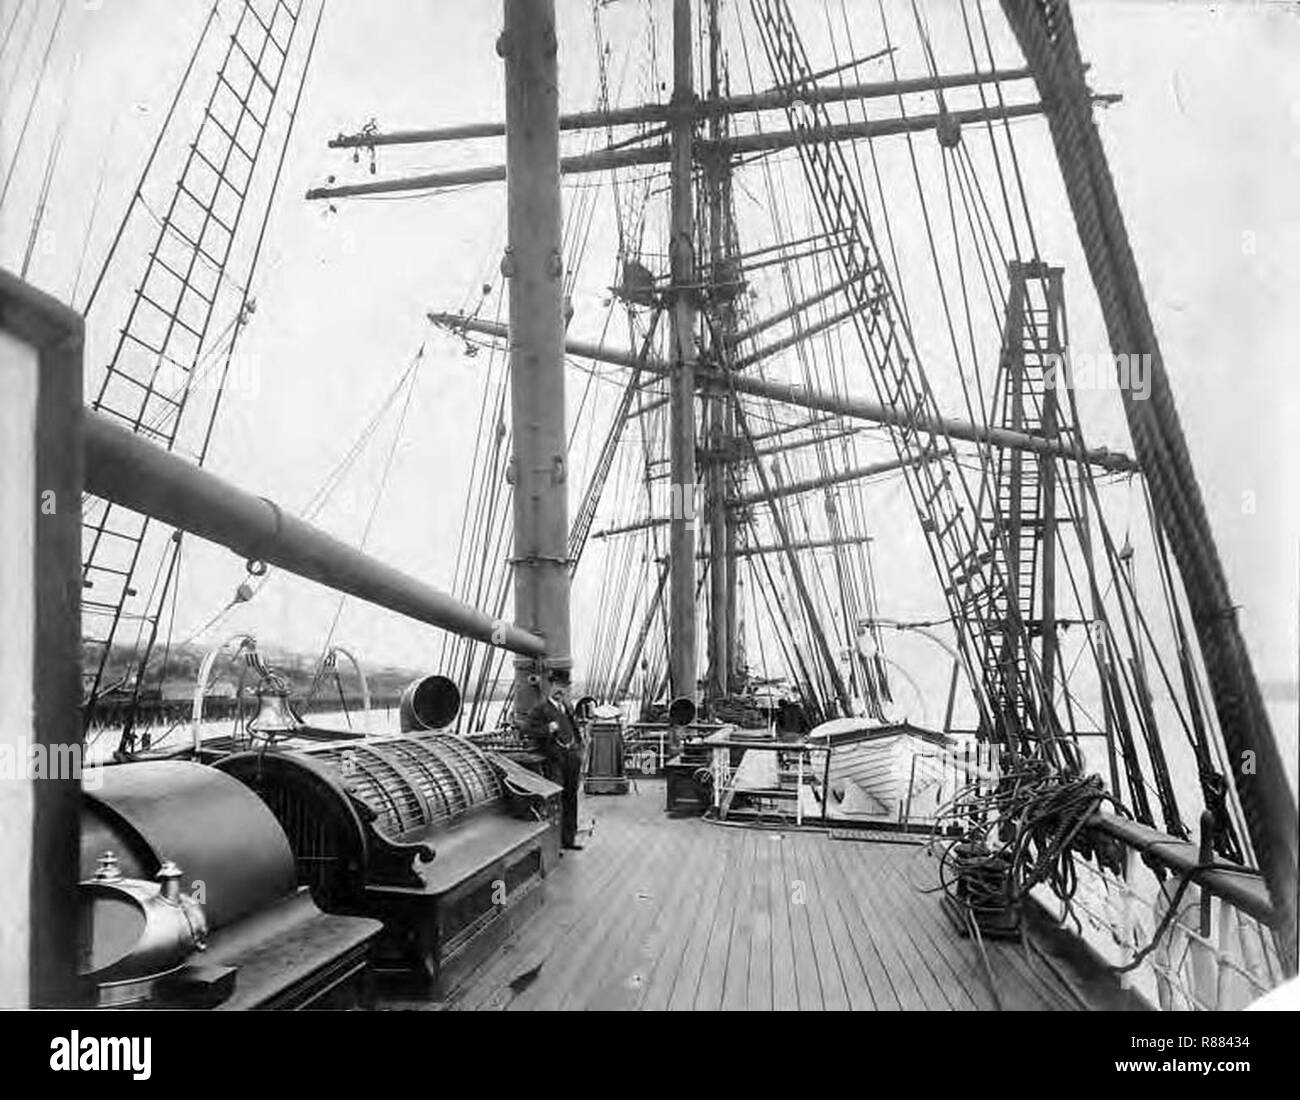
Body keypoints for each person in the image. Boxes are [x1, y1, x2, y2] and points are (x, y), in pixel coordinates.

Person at [524, 675, 586, 850]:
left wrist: (580, 748)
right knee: (556, 800)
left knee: (571, 798)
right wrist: (547, 729)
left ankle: (568, 840)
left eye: (564, 686)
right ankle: (554, 843)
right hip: (554, 759)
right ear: (550, 687)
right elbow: (527, 729)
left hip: (571, 758)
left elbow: (575, 730)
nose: (561, 690)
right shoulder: (541, 709)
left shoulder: (567, 707)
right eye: (558, 686)